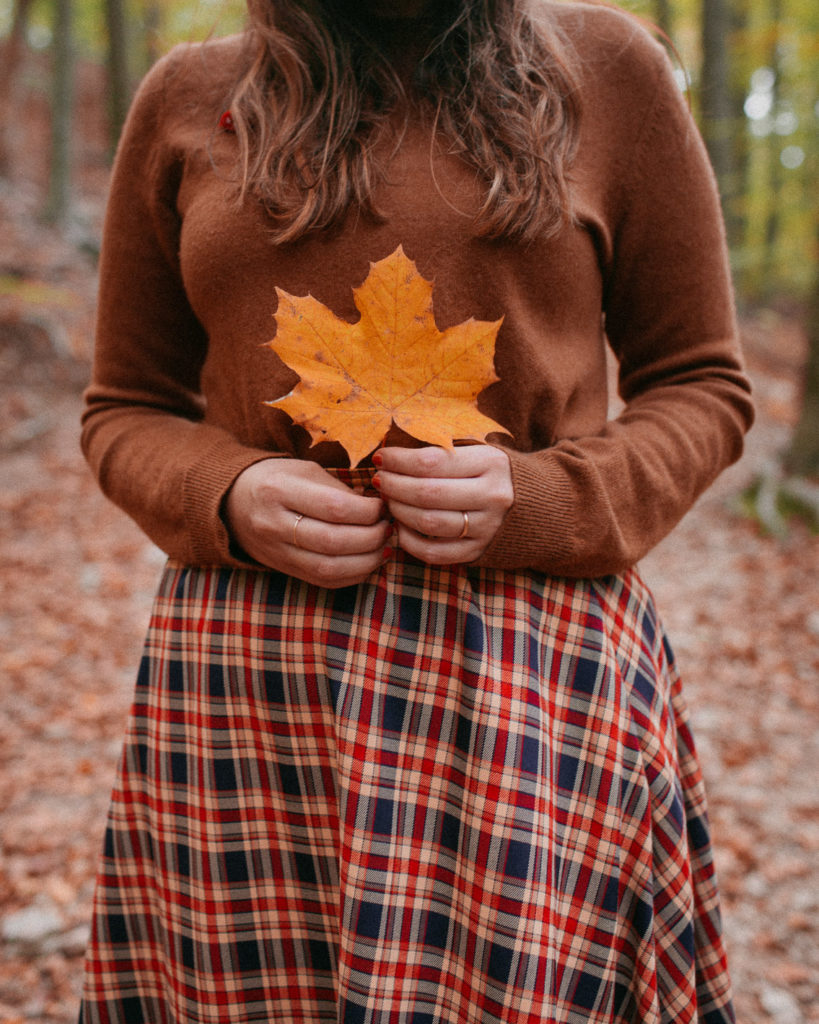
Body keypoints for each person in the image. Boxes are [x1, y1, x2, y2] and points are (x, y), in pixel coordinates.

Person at [78, 0, 754, 1021]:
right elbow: (124, 408)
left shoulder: (608, 70)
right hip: (246, 696)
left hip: (530, 678)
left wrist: (548, 498)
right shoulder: (187, 98)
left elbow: (704, 383)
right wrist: (227, 490)